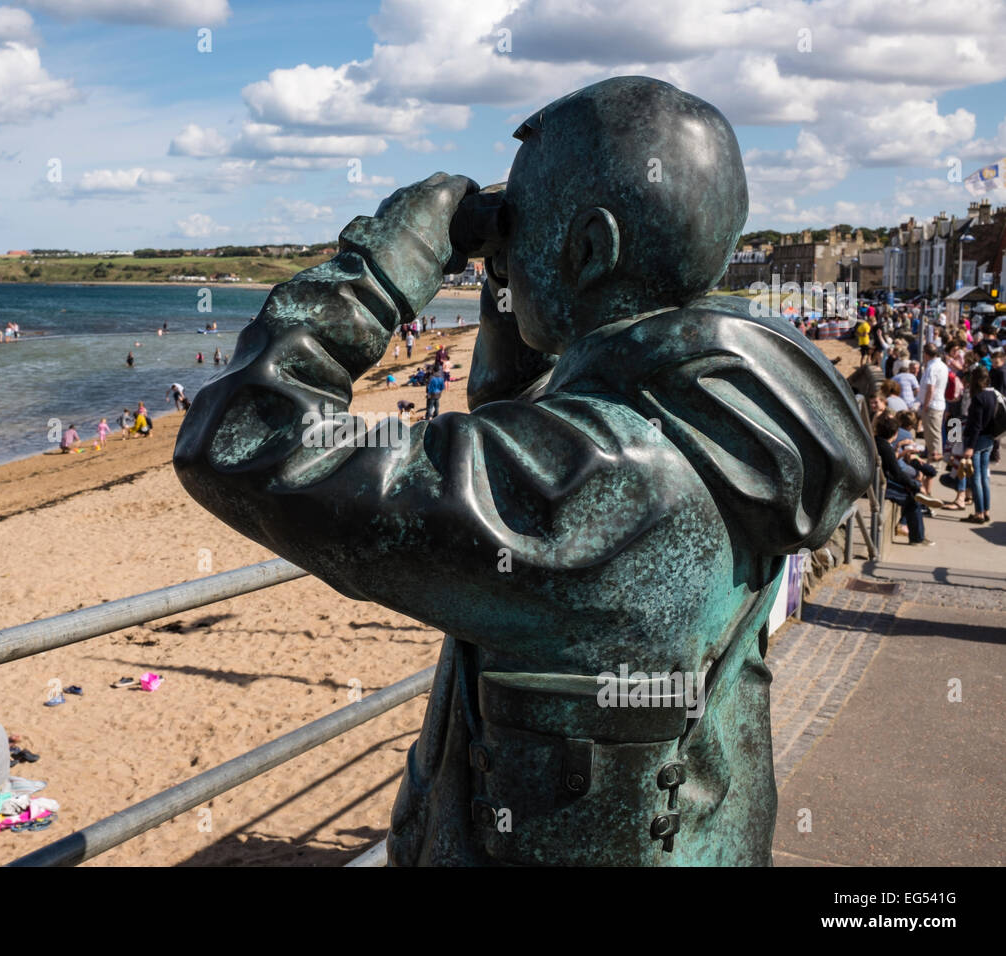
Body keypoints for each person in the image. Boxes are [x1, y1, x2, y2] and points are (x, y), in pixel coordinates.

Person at [173, 78, 874, 866]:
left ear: (590, 249)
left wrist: (386, 264)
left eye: (521, 227)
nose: (502, 248)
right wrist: (519, 288)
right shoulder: (724, 411)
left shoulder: (603, 476)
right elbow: (525, 424)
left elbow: (236, 440)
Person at [875, 414, 934, 545]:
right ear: (896, 433)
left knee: (911, 491)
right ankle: (917, 537)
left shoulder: (875, 442)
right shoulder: (885, 448)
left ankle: (919, 505)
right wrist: (914, 485)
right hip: (879, 486)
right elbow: (897, 473)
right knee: (912, 499)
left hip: (876, 482)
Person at [960, 365, 997, 524]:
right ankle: (986, 511)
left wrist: (970, 447)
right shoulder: (993, 394)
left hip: (977, 440)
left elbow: (976, 425)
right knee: (984, 478)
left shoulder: (978, 398)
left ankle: (979, 513)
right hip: (989, 439)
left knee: (975, 478)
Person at [917, 343, 949, 477]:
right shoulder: (942, 365)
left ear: (925, 354)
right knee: (933, 435)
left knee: (933, 436)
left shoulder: (932, 367)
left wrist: (925, 405)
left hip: (932, 405)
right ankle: (933, 460)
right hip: (937, 404)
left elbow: (931, 388)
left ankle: (935, 465)